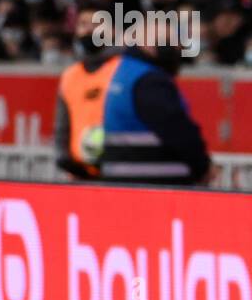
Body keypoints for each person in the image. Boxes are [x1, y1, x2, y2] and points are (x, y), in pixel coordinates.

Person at [53, 13, 210, 184]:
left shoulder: (121, 71)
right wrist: (203, 167)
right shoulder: (148, 79)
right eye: (167, 41)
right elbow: (178, 131)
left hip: (114, 177)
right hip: (153, 184)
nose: (175, 47)